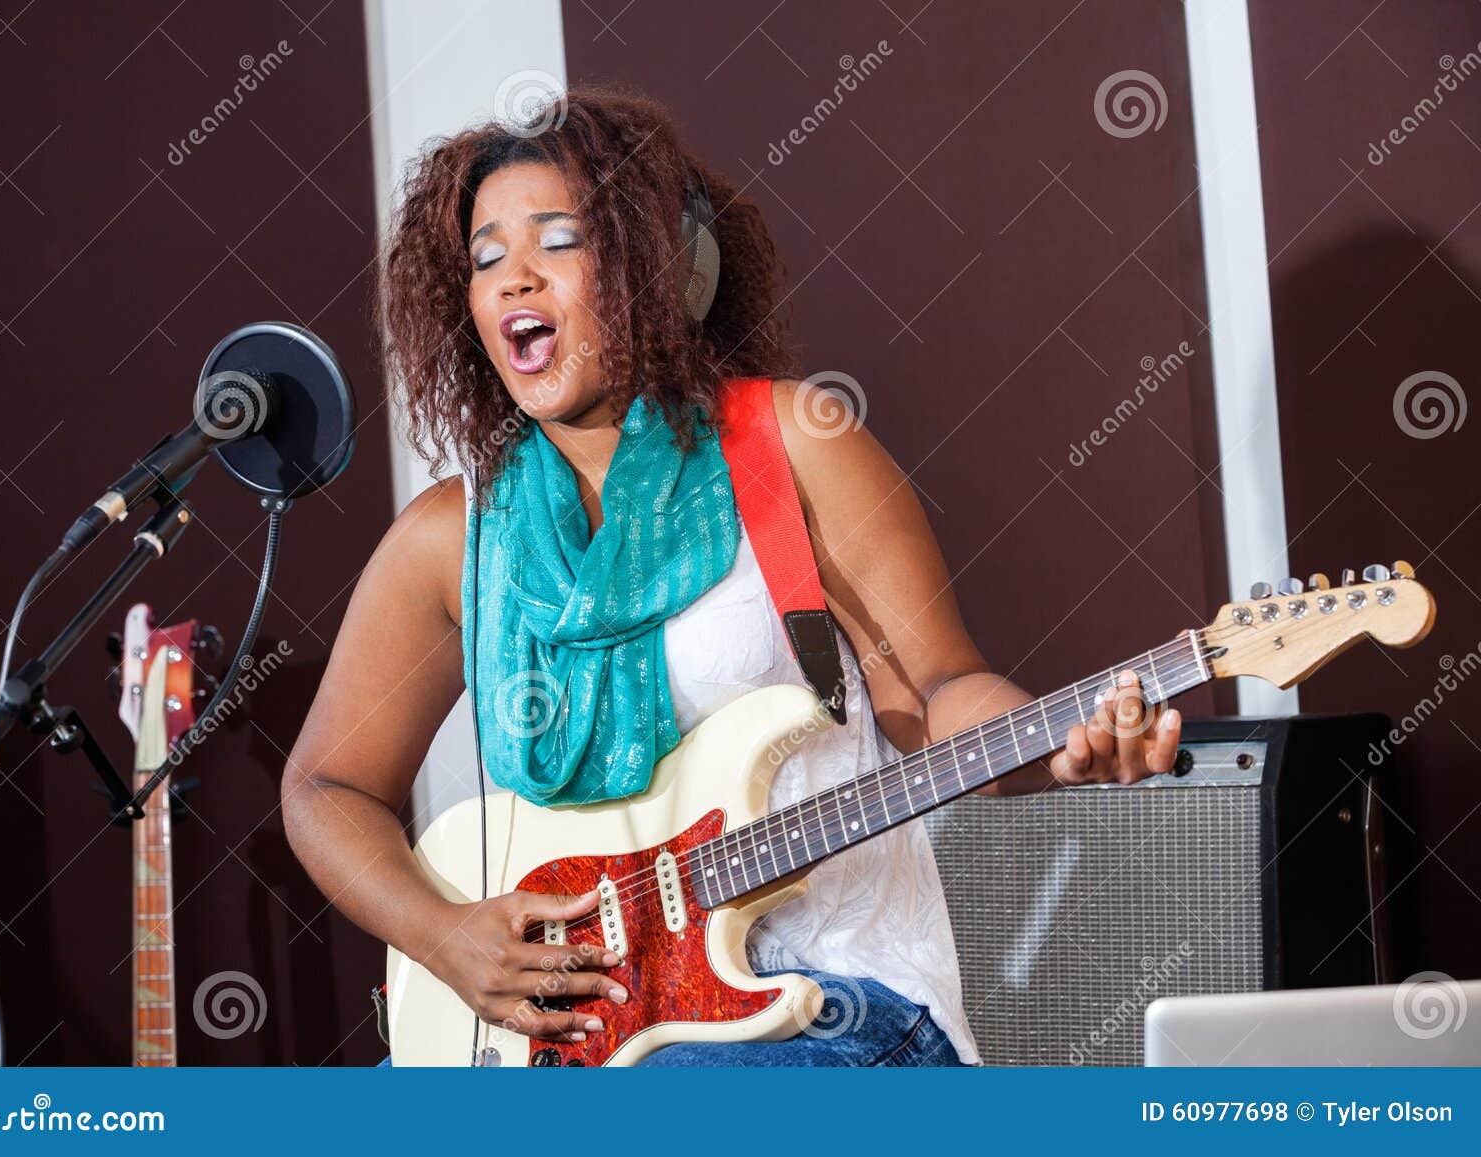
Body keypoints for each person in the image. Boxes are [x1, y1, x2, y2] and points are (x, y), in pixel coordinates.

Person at [280, 82, 1182, 1067]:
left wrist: (1059, 748)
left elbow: (936, 689)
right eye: (486, 257)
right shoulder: (452, 537)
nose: (513, 279)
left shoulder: (791, 442)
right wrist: (444, 936)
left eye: (556, 241)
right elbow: (325, 785)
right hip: (586, 1038)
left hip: (841, 1007)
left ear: (664, 266)